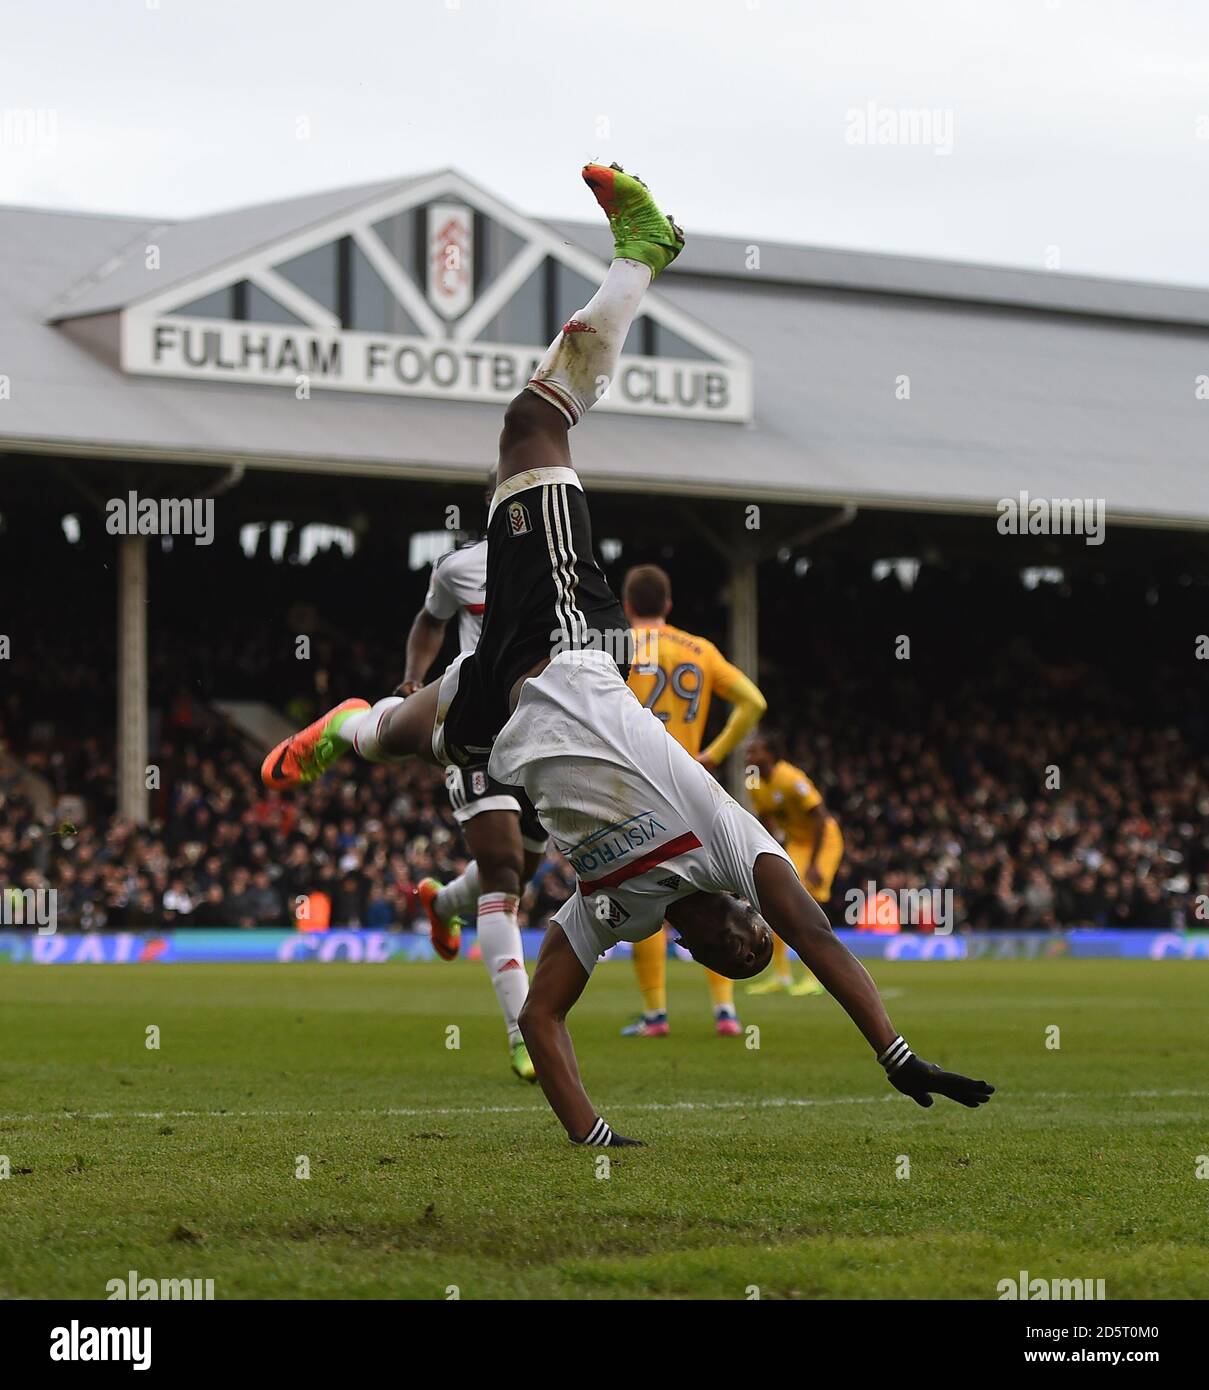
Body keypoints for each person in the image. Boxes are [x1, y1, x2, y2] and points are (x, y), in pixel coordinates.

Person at [262, 162, 993, 1144]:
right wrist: (894, 1050)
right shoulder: (727, 839)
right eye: (751, 940)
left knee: (394, 735)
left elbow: (542, 1014)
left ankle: (345, 727)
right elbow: (813, 931)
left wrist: (594, 1137)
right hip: (560, 645)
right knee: (531, 423)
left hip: (499, 709)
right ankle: (641, 254)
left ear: (717, 945)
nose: (752, 935)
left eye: (740, 950)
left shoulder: (620, 910)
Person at [398, 486, 546, 1083]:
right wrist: (413, 681)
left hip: (540, 734)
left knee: (521, 873)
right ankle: (523, 1034)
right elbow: (428, 622)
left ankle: (445, 901)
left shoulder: (561, 567)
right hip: (476, 730)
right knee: (506, 873)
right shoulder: (459, 568)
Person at [619, 563, 767, 1037]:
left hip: (638, 784)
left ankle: (655, 1014)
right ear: (667, 606)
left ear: (627, 606)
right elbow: (753, 702)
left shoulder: (619, 644)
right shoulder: (698, 649)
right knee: (713, 894)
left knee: (644, 896)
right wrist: (714, 753)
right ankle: (725, 1011)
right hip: (691, 782)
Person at [745, 730, 843, 996]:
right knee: (778, 899)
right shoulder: (753, 783)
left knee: (809, 901)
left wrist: (814, 864)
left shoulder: (792, 779)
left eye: (754, 751)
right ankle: (782, 976)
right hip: (797, 842)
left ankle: (815, 977)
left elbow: (821, 817)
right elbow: (766, 821)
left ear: (770, 754)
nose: (748, 755)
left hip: (823, 840)